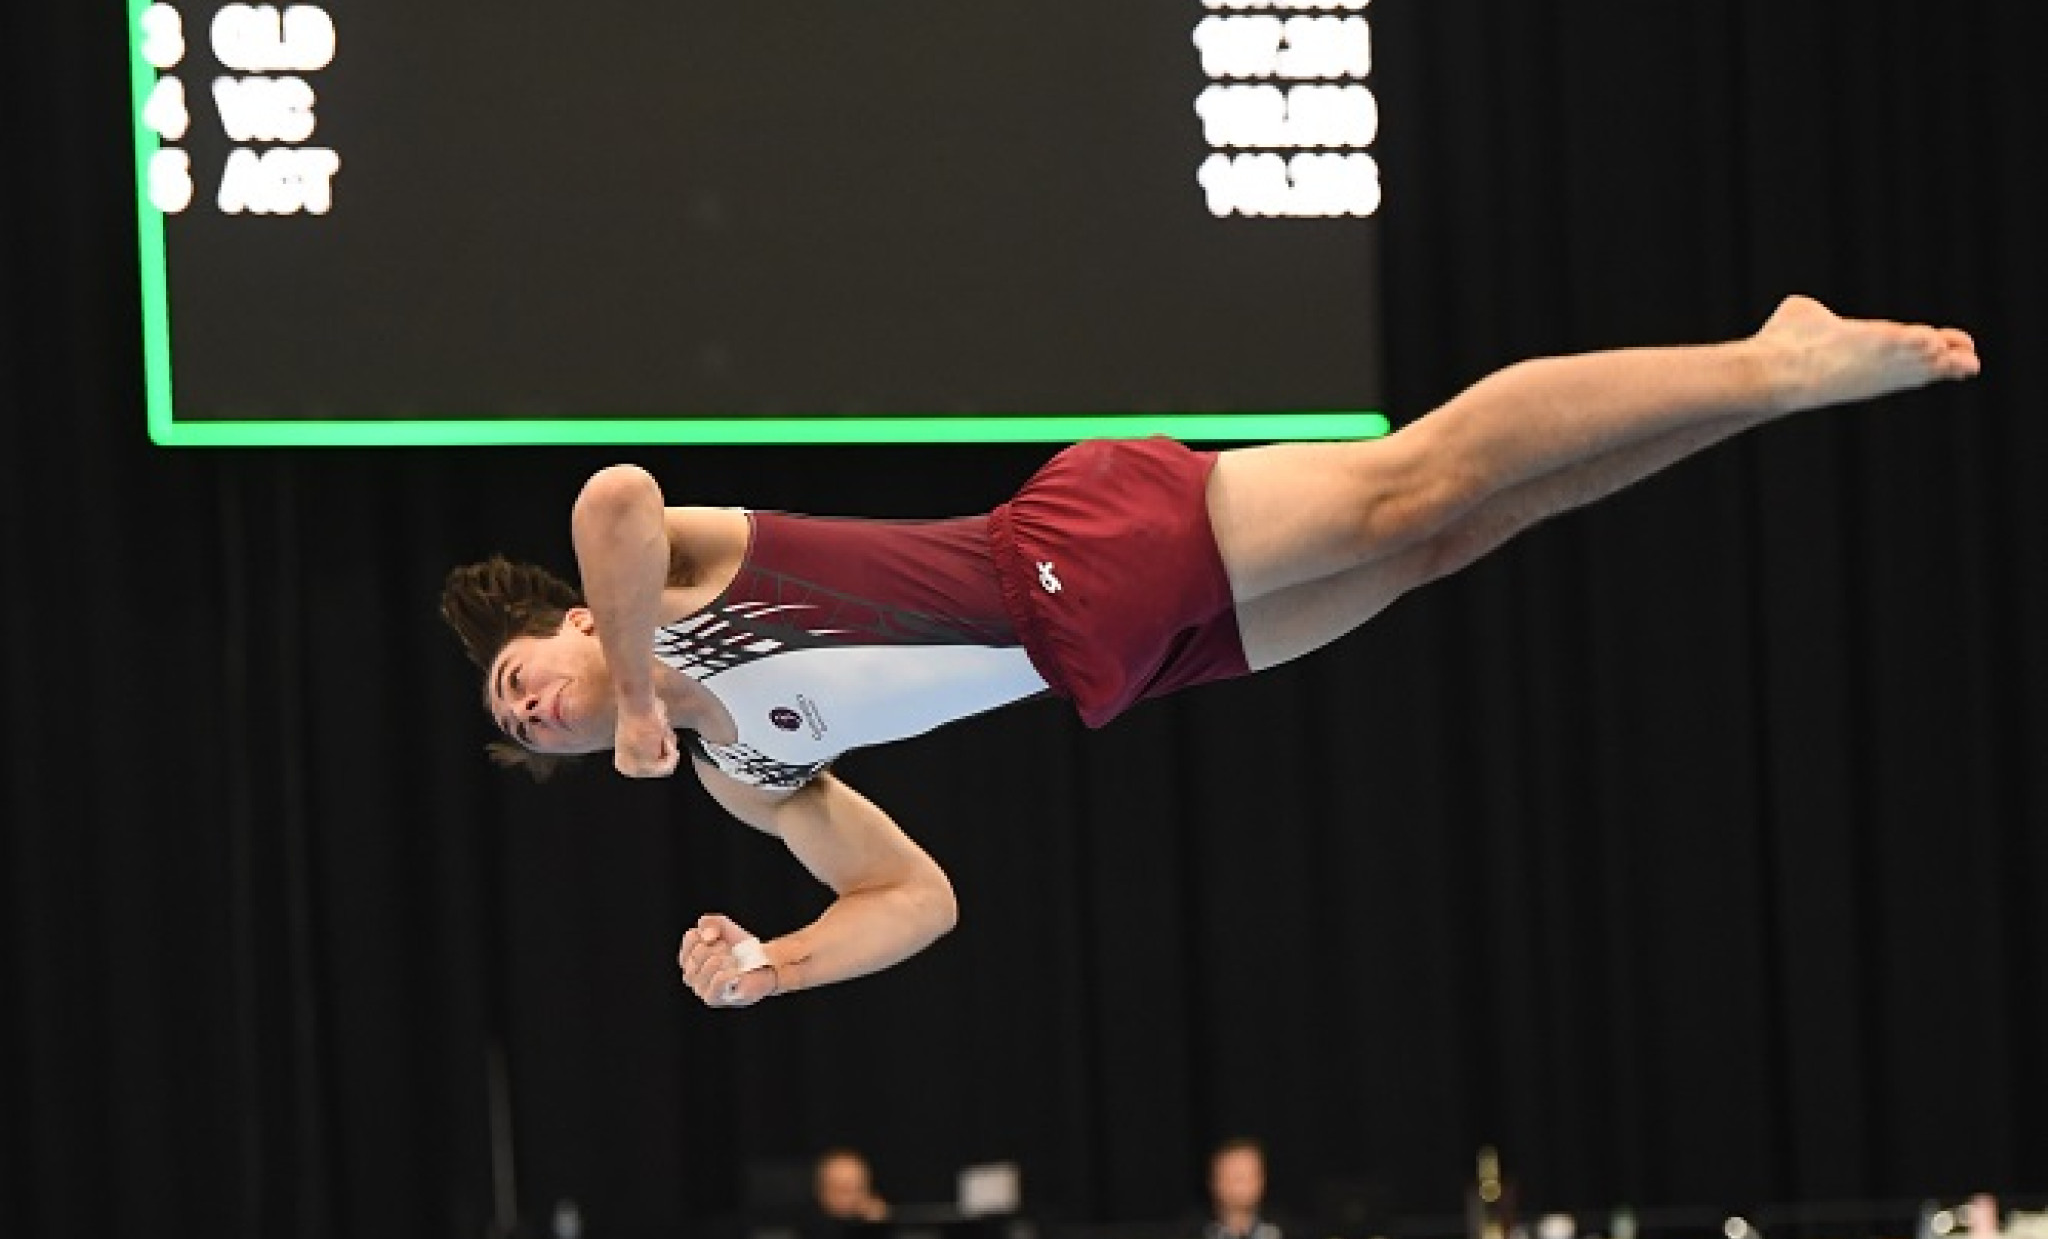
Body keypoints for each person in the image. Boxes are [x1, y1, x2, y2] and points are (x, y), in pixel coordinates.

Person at [440, 299, 1979, 1008]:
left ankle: (1774, 358)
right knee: (1449, 541)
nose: (539, 708)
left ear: (577, 623)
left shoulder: (679, 581)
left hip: (1066, 553)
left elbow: (613, 496)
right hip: (1115, 662)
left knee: (1414, 477)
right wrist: (774, 966)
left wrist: (636, 685)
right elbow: (915, 896)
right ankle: (1749, 398)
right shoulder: (744, 768)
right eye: (535, 730)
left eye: (526, 676)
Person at [1202, 1136, 1290, 1239]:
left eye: (1247, 1176)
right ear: (1214, 1181)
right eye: (1233, 1177)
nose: (1240, 1186)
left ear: (1262, 1179)